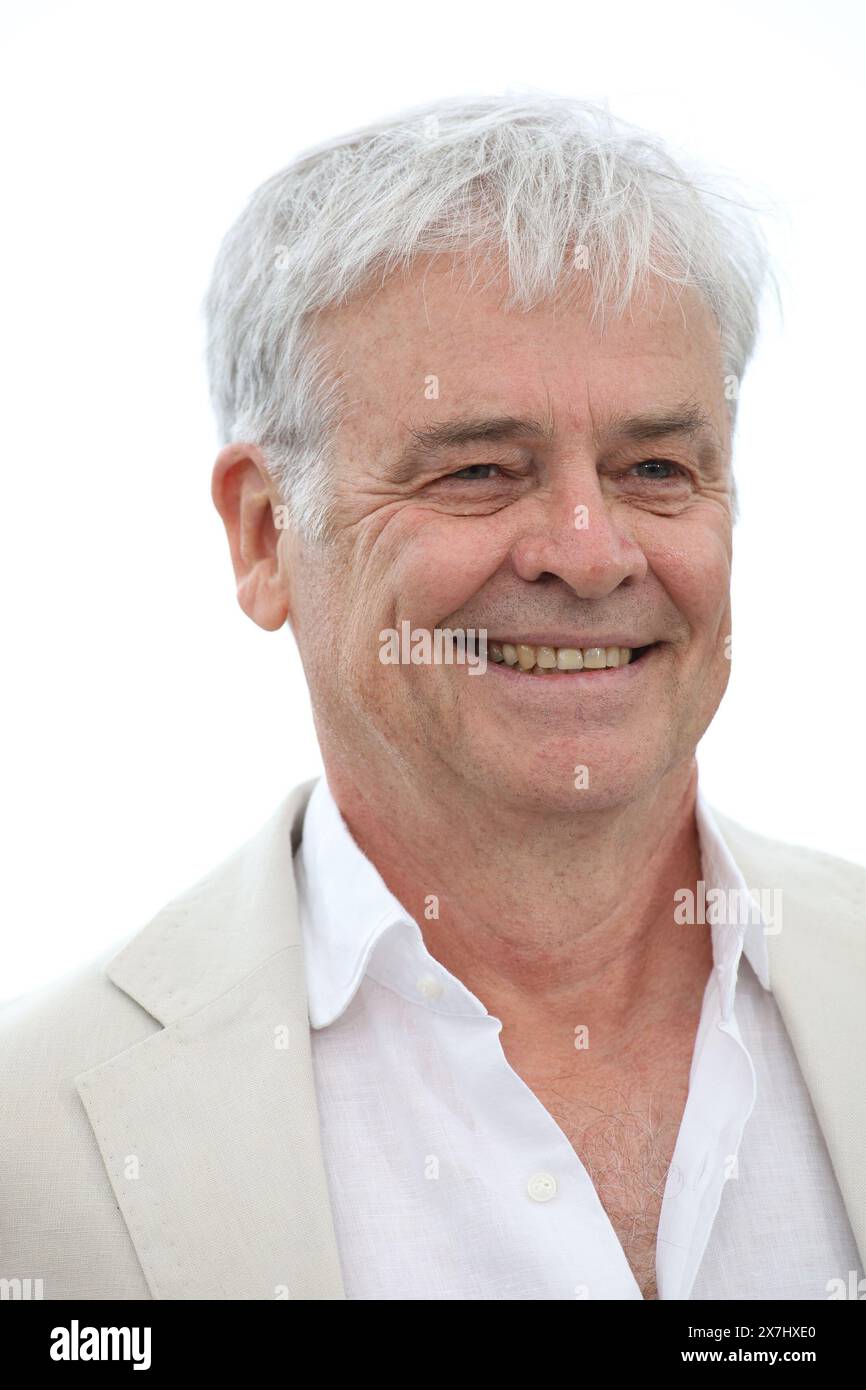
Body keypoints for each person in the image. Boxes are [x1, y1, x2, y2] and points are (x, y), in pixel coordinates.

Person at [2, 93, 864, 1302]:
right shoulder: (29, 1145)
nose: (587, 548)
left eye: (655, 468)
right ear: (264, 533)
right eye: (477, 470)